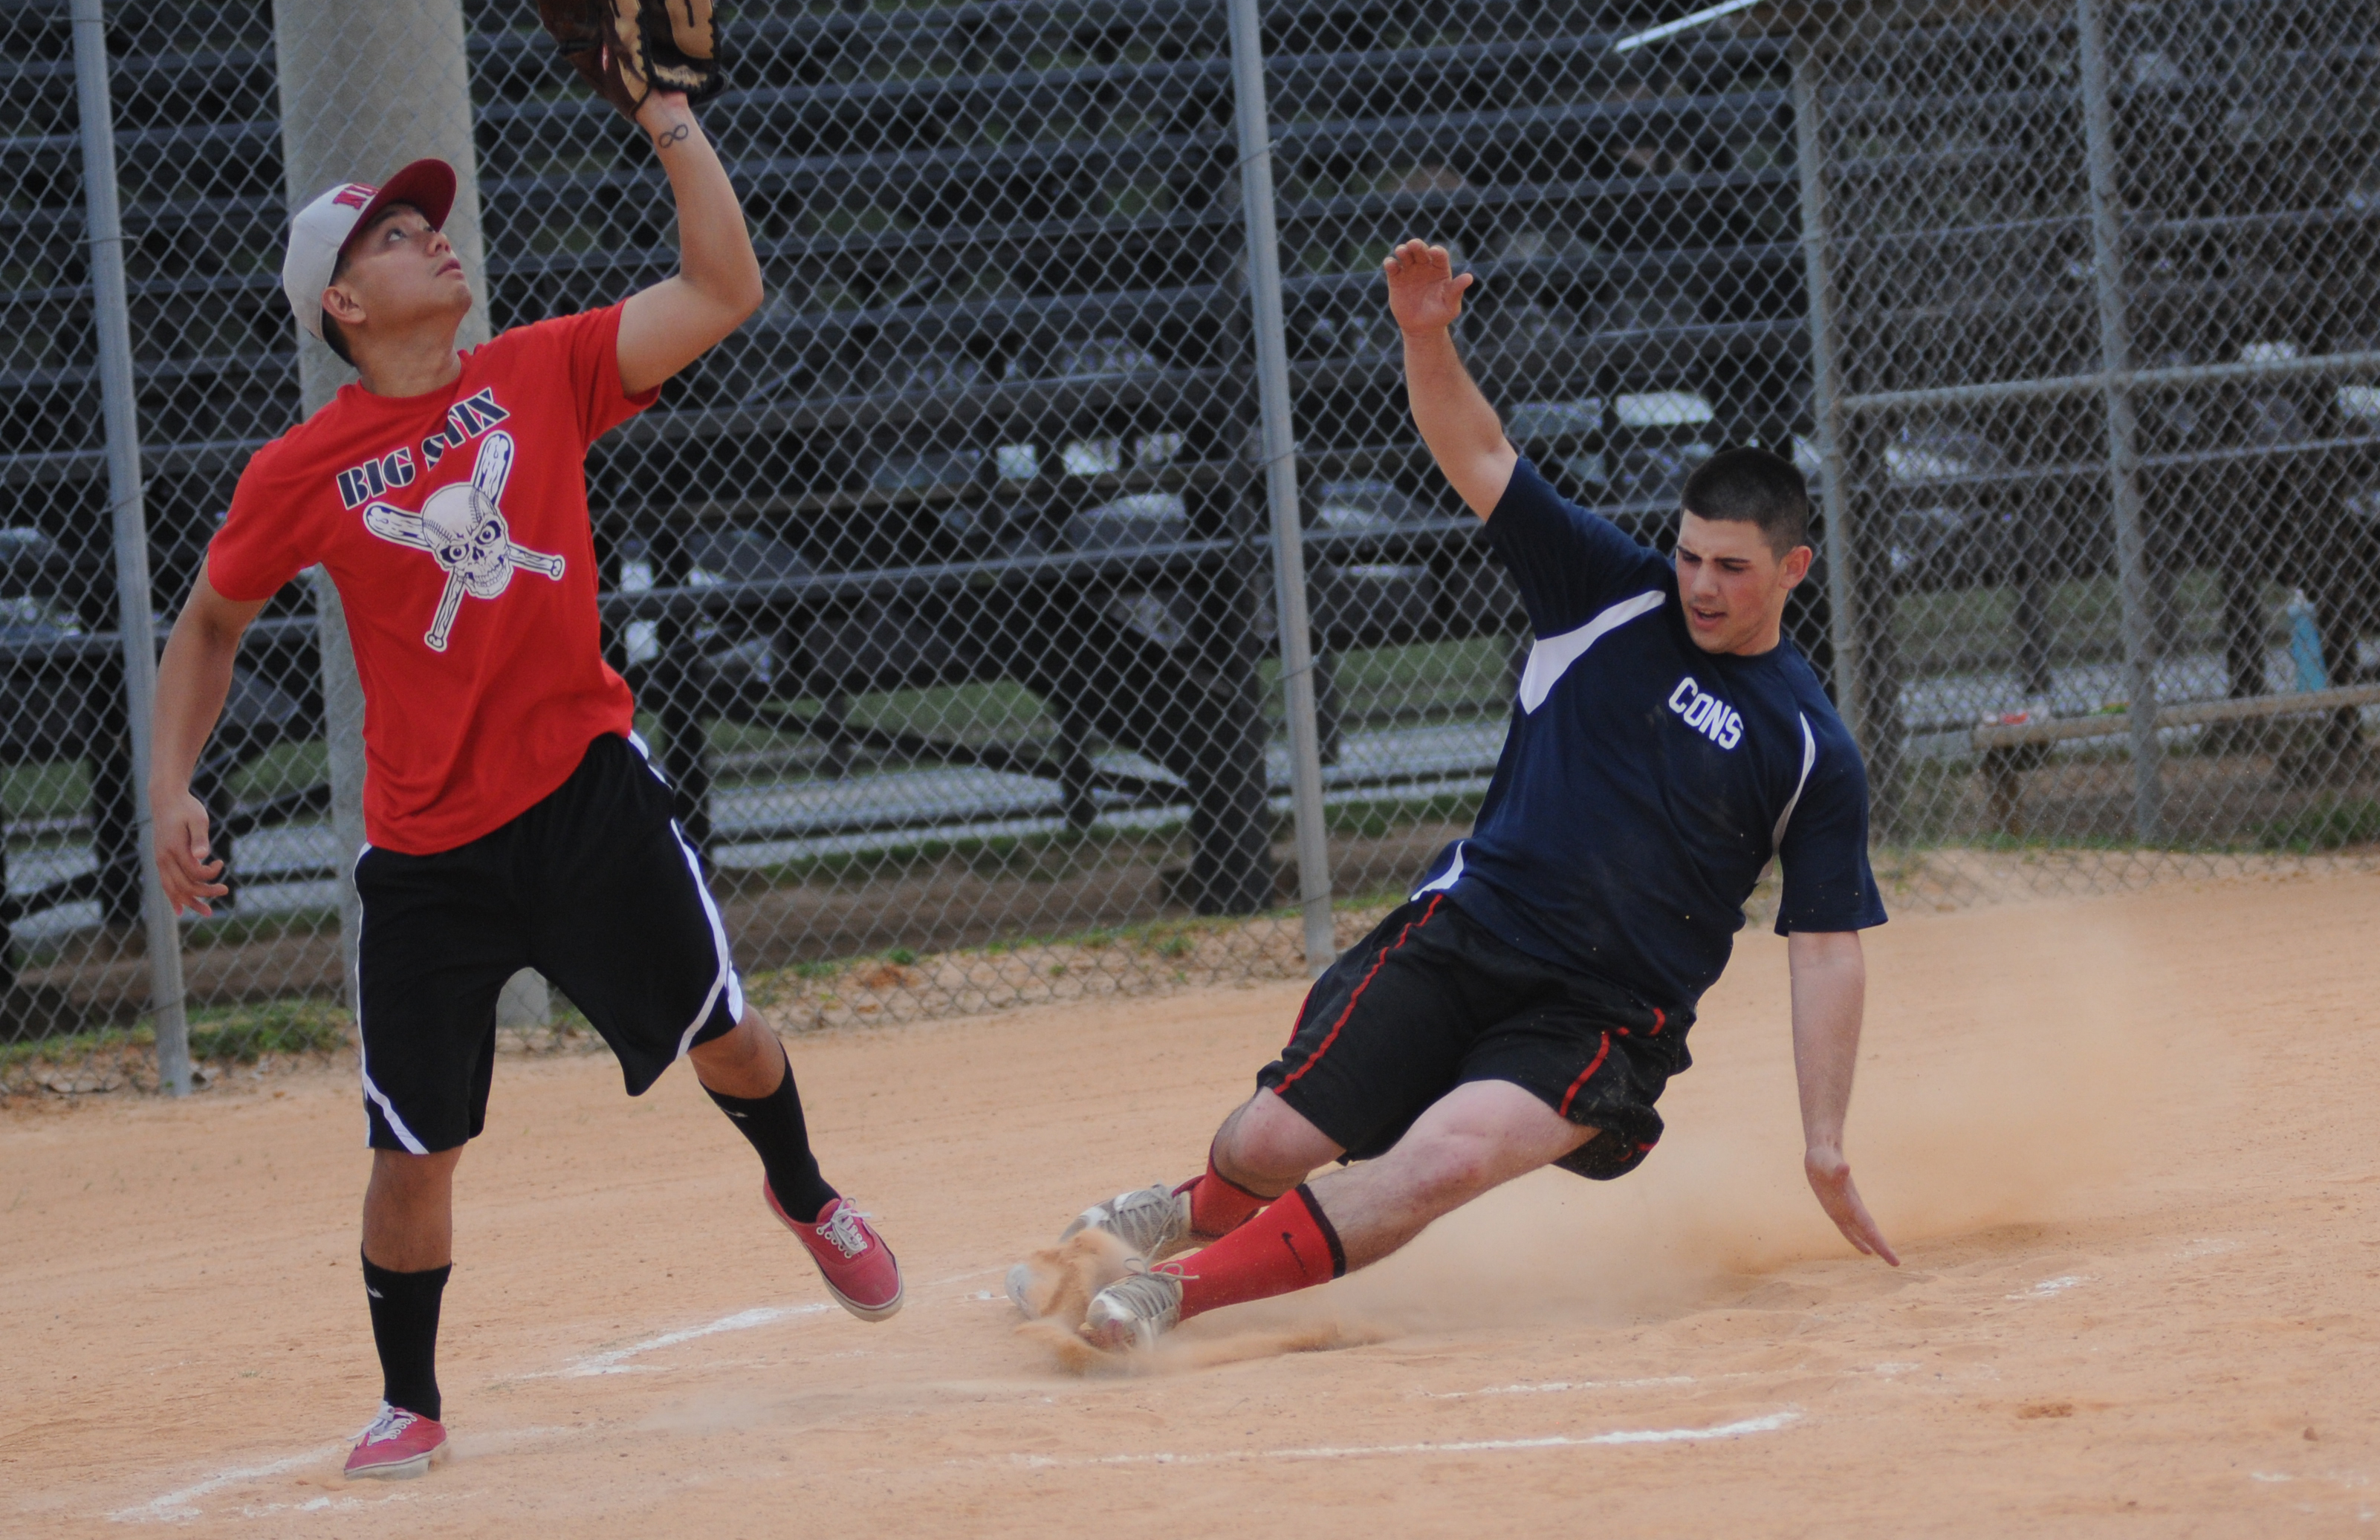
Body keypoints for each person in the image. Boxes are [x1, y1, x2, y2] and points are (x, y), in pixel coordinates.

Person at [147, 89, 901, 1483]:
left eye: (431, 223)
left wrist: (667, 116)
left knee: (724, 1038)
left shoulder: (538, 369)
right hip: (428, 855)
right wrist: (170, 783)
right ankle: (411, 1400)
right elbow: (207, 621)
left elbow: (724, 286)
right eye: (394, 238)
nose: (434, 239)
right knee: (412, 1151)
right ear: (345, 310)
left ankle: (803, 1192)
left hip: (584, 797)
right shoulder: (300, 473)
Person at [1037, 238, 1899, 1353]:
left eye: (1733, 568)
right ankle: (1192, 1210)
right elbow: (1479, 450)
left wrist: (1823, 1142)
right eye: (1690, 555)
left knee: (1437, 1164)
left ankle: (1176, 1293)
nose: (1700, 585)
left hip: (1599, 1015)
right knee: (1267, 1145)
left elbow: (1827, 947)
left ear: (1794, 570)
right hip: (1470, 935)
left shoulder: (1810, 745)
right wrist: (1425, 335)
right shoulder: (1607, 592)